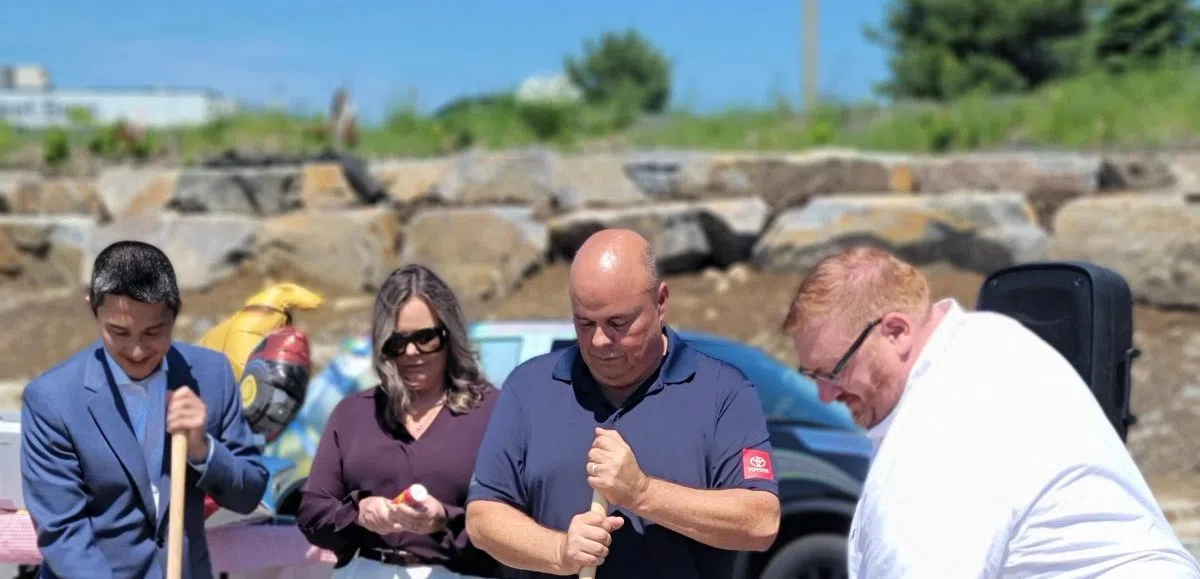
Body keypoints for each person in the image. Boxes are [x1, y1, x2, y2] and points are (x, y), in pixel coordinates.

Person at [781, 245, 1200, 578]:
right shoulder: (986, 346)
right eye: (811, 375)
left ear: (895, 332)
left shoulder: (948, 413)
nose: (824, 395)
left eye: (833, 372)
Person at [465, 228, 781, 578]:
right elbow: (483, 517)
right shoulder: (528, 388)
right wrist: (559, 551)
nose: (599, 341)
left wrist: (642, 493)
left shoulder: (724, 392)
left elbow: (760, 521)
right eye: (584, 323)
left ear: (660, 303)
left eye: (618, 323)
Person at [19, 240, 269, 579]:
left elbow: (249, 493)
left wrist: (203, 449)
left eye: (153, 331)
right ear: (93, 309)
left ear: (176, 311)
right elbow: (63, 533)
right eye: (118, 332)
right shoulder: (53, 398)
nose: (136, 350)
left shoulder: (212, 375)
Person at [297, 264, 500, 578]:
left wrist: (445, 519)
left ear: (450, 336)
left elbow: (515, 518)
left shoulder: (494, 412)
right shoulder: (352, 414)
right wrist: (359, 512)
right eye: (397, 342)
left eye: (426, 338)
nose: (411, 352)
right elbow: (312, 513)